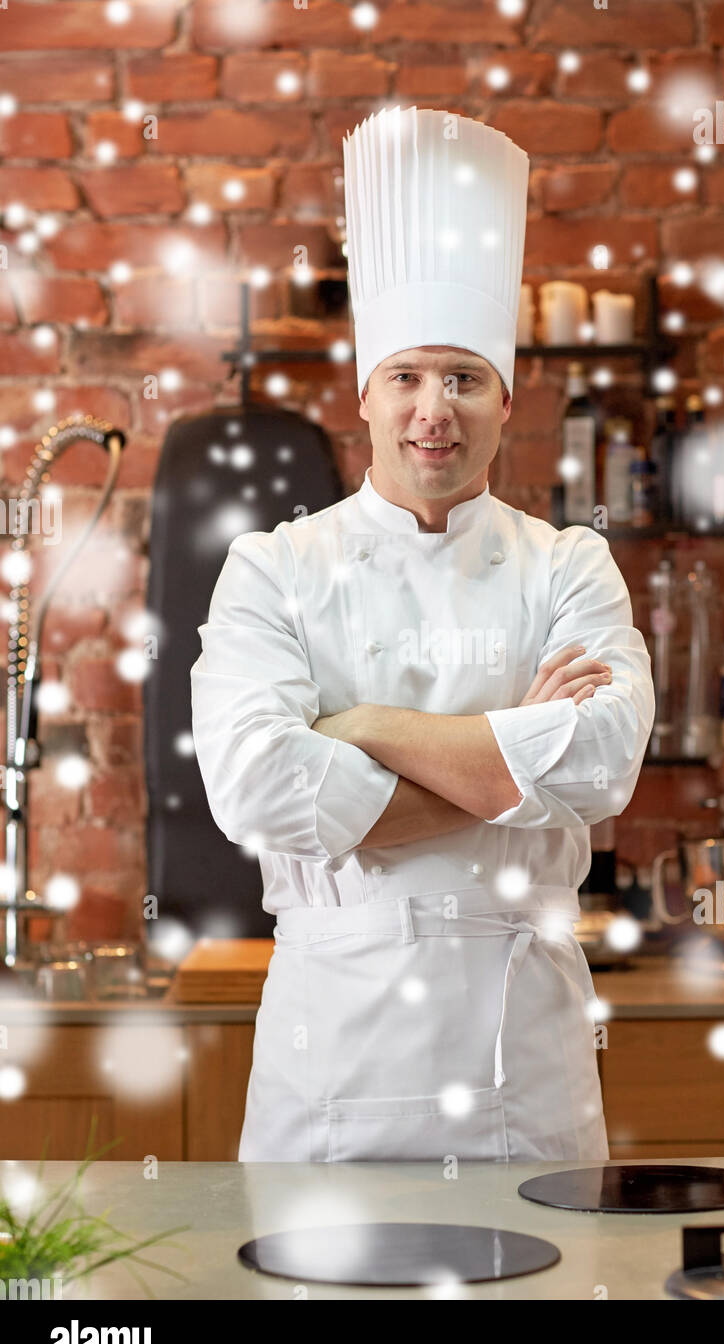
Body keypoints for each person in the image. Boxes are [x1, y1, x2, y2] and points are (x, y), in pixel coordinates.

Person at [190, 106, 655, 1162]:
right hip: (329, 1082)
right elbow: (254, 787)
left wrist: (359, 726)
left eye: (460, 378)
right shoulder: (274, 568)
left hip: (522, 1086)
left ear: (505, 397)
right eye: (405, 376)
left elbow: (597, 765)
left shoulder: (568, 564)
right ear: (364, 394)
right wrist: (506, 757)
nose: (430, 410)